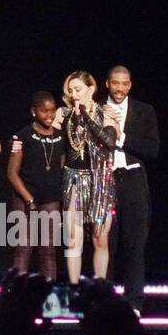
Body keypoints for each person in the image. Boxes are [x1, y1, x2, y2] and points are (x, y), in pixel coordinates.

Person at [103, 66, 159, 314]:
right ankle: (104, 301)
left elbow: (152, 149)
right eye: (115, 83)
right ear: (107, 83)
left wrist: (122, 137)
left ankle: (134, 302)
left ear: (130, 85)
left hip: (133, 181)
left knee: (135, 244)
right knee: (105, 245)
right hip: (105, 181)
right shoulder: (96, 109)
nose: (119, 89)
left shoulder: (144, 111)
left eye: (124, 84)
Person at [54, 71, 118, 284]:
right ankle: (74, 289)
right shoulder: (64, 114)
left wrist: (86, 117)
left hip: (100, 180)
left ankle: (99, 288)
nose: (74, 95)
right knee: (73, 239)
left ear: (91, 89)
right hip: (73, 178)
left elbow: (109, 142)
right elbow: (48, 138)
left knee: (100, 238)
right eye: (70, 91)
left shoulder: (105, 112)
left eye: (78, 89)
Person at [4, 91, 64, 279]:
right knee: (24, 248)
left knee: (48, 251)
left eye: (52, 110)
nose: (49, 115)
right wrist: (29, 200)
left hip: (50, 200)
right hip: (25, 199)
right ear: (33, 111)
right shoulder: (23, 136)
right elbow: (11, 173)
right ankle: (17, 292)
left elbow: (61, 167)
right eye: (44, 111)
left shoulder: (61, 136)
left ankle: (49, 293)